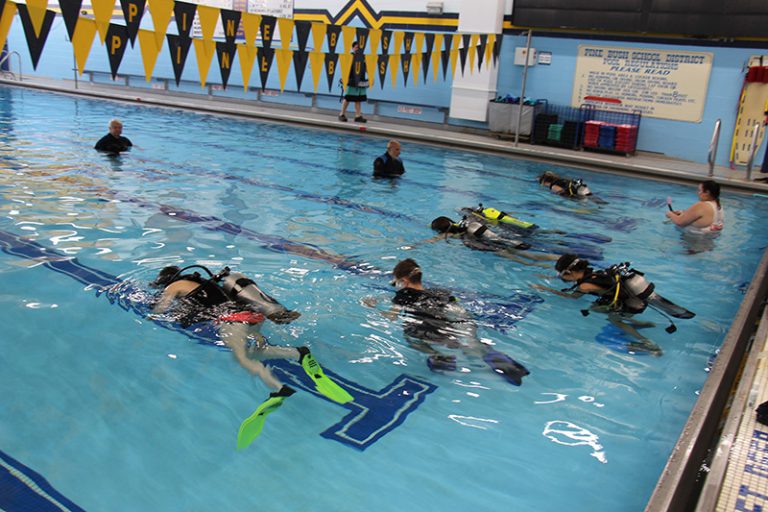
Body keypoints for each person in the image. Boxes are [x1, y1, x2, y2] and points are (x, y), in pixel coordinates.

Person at [150, 264, 352, 448]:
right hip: (253, 315)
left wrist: (152, 310)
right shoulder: (202, 283)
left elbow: (159, 311)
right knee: (253, 353)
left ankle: (279, 389)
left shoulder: (173, 287)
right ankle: (298, 353)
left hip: (234, 321)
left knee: (242, 359)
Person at [364, 258, 529, 385]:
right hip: (456, 320)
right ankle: (506, 364)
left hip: (429, 326)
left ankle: (438, 356)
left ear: (404, 281)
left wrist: (371, 307)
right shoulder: (439, 291)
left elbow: (391, 316)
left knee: (409, 337)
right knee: (473, 344)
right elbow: (457, 310)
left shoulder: (404, 294)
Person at [531, 254, 695, 355]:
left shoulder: (584, 286)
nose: (561, 278)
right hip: (636, 297)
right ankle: (642, 323)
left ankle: (647, 343)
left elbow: (573, 297)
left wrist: (545, 289)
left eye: (562, 275)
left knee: (614, 320)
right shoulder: (592, 272)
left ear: (570, 273)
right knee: (595, 308)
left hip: (633, 303)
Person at [429, 215, 558, 266]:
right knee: (532, 255)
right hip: (505, 241)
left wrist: (413, 246)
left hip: (497, 248)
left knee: (526, 262)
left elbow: (435, 239)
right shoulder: (465, 224)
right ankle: (557, 258)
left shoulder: (453, 233)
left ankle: (546, 265)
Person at [338, 41, 368, 123]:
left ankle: (358, 116)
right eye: (356, 47)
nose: (358, 49)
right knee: (348, 97)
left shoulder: (363, 57)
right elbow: (345, 68)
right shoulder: (350, 57)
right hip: (352, 79)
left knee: (358, 98)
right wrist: (344, 78)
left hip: (361, 80)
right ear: (353, 48)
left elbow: (367, 69)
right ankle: (341, 114)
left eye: (359, 48)